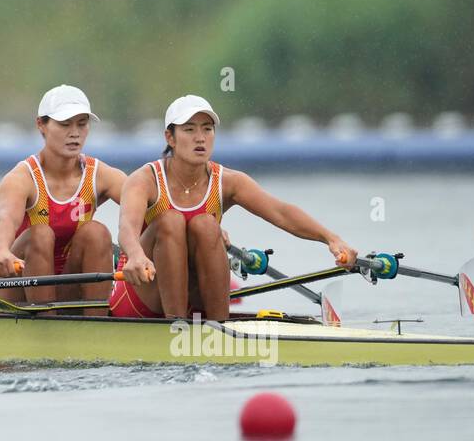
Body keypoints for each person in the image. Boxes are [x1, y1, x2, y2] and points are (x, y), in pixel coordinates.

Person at [113, 94, 358, 321]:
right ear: (170, 138)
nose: (200, 138)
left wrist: (331, 239)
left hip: (192, 296)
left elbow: (281, 212)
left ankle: (221, 329)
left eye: (207, 130)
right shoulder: (145, 179)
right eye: (189, 130)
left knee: (206, 224)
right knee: (171, 221)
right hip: (141, 297)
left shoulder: (229, 181)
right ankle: (178, 330)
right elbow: (127, 228)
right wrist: (135, 255)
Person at [0, 85, 126, 315]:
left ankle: (97, 330)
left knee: (97, 232)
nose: (75, 133)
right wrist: (1, 250)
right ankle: (45, 328)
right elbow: (6, 220)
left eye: (82, 124)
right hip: (17, 286)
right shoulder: (22, 178)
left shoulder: (100, 174)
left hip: (67, 282)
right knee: (41, 234)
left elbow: (146, 207)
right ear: (41, 125)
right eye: (65, 124)